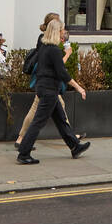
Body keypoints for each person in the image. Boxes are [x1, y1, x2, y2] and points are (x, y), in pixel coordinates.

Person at [16, 19, 89, 164]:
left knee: (61, 120)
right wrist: (79, 87)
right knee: (38, 122)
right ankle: (24, 153)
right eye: (62, 30)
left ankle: (75, 146)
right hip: (49, 90)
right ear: (57, 32)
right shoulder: (54, 50)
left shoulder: (44, 46)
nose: (64, 33)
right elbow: (62, 73)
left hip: (45, 88)